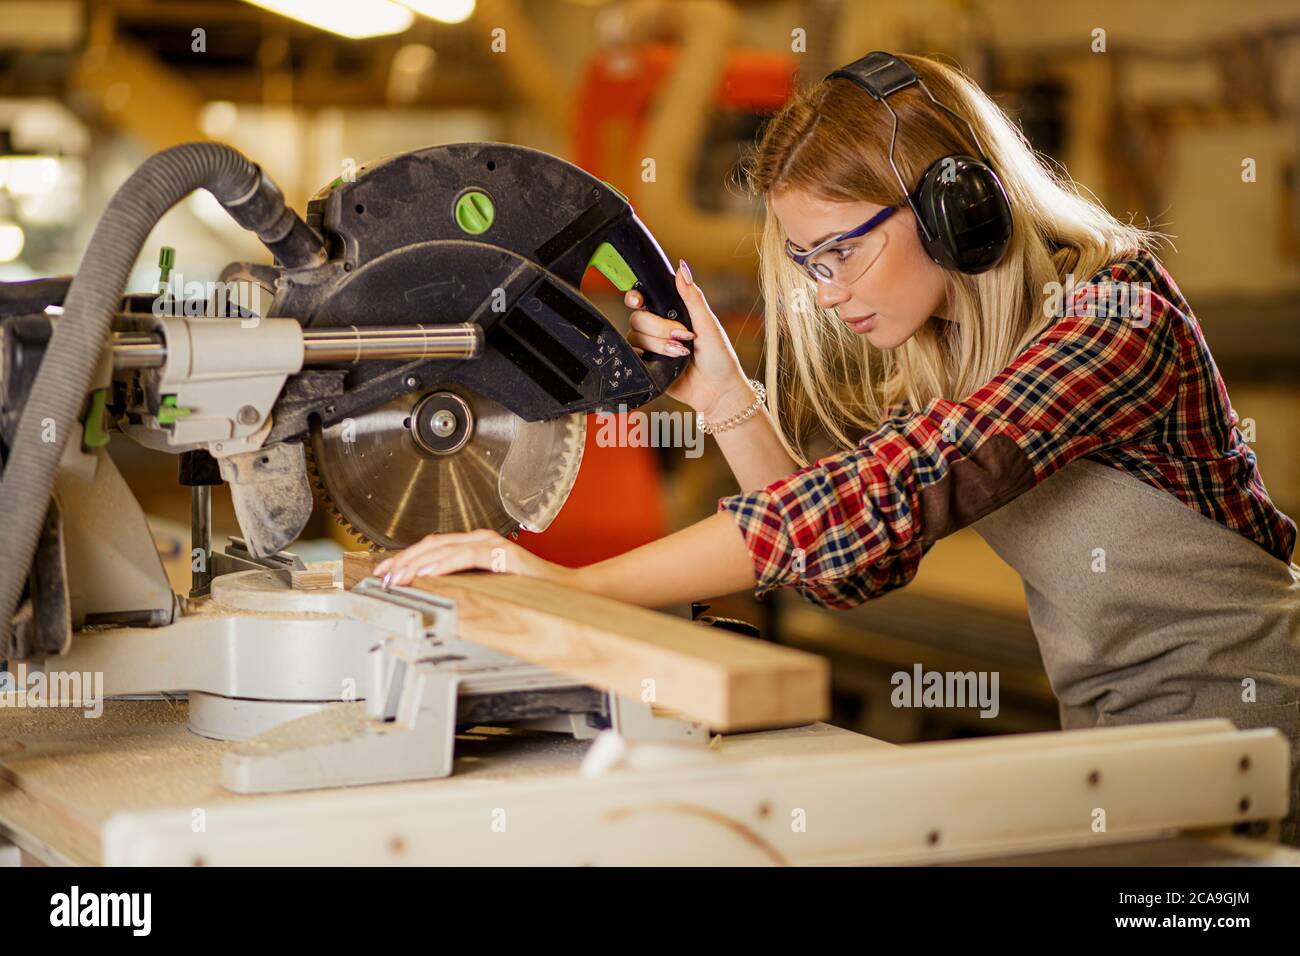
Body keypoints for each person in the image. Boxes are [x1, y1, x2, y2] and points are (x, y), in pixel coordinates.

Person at [376, 52, 1300, 844]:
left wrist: (575, 585)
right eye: (808, 263)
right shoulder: (962, 352)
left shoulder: (1113, 326)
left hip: (1259, 750)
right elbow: (844, 564)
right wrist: (722, 395)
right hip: (1125, 751)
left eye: (840, 252)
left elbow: (889, 495)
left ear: (955, 207)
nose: (825, 293)